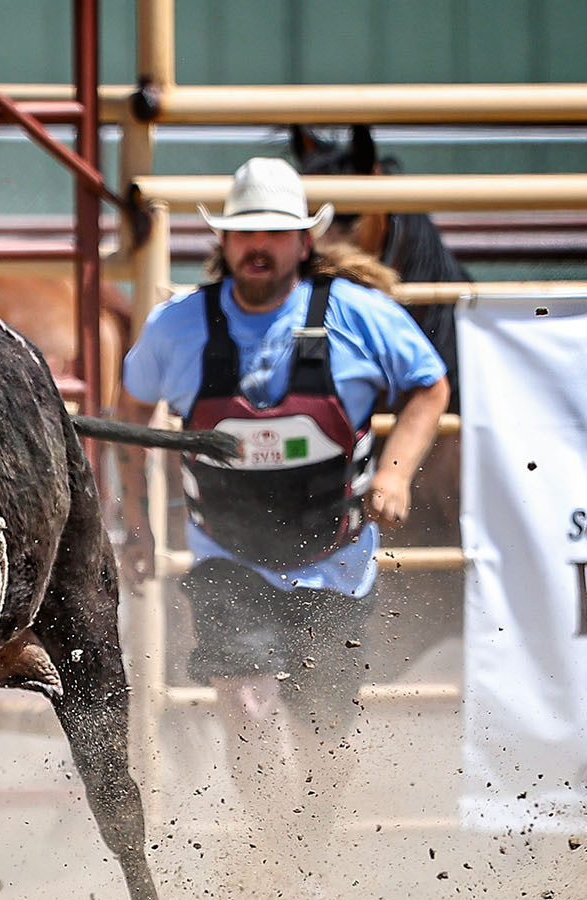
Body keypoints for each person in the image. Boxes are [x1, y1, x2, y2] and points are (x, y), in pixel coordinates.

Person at [121, 158, 449, 886]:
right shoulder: (178, 328)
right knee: (244, 701)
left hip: (336, 554)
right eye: (244, 233)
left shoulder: (361, 316)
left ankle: (312, 840)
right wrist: (135, 519)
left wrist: (395, 473)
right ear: (225, 243)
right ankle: (275, 854)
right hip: (227, 553)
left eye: (273, 232)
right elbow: (129, 412)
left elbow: (429, 385)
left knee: (325, 727)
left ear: (305, 242)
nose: (257, 246)